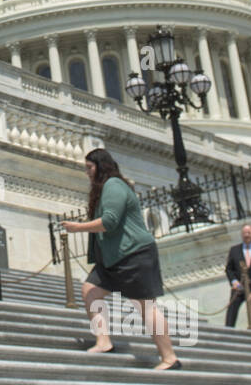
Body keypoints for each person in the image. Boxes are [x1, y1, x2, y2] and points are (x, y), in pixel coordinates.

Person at [63, 148, 180, 369]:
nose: (87, 173)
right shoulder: (105, 189)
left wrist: (77, 228)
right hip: (113, 259)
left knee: (145, 306)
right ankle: (103, 341)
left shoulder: (113, 185)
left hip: (134, 254)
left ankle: (169, 357)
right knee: (90, 290)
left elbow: (110, 221)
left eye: (89, 168)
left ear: (101, 166)